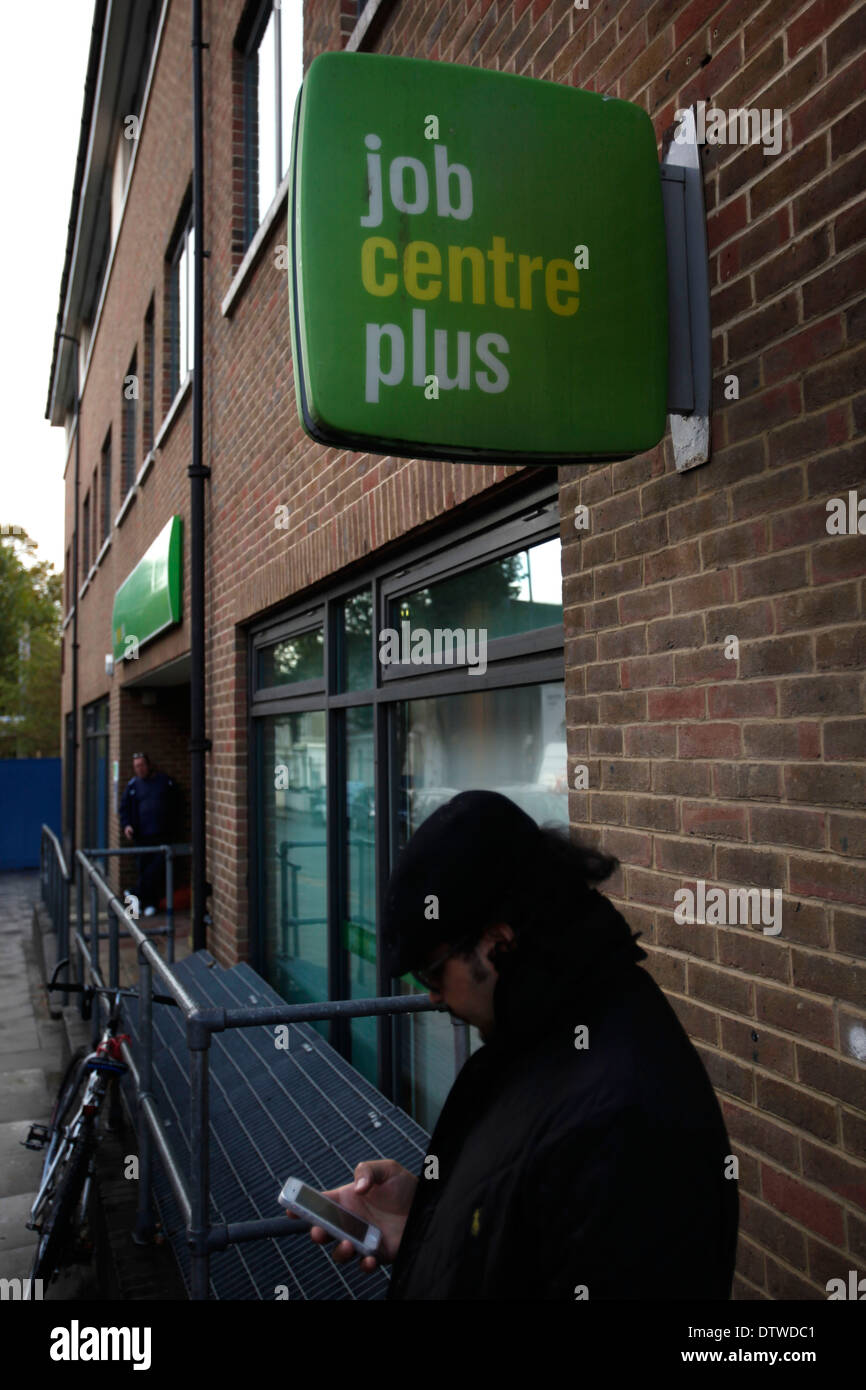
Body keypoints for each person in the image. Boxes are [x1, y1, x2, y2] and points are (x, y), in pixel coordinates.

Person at [288, 789, 739, 1300]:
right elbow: (527, 1217)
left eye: (433, 973)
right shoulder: (539, 1032)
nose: (432, 996)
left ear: (498, 943)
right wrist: (429, 1215)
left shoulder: (624, 1117)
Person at [118, 752, 178, 917]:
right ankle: (143, 906)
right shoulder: (133, 786)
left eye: (142, 765)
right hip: (141, 837)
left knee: (156, 870)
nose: (140, 769)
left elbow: (175, 805)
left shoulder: (164, 782)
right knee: (143, 870)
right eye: (136, 766)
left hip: (161, 835)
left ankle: (134, 894)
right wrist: (127, 826)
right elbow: (124, 809)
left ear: (148, 765)